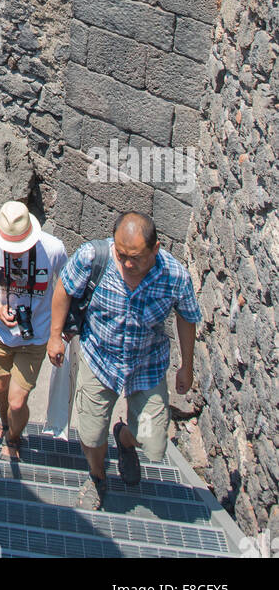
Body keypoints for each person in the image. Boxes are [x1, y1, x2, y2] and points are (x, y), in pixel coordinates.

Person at [48, 211, 202, 510]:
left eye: (136, 257)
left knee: (153, 442)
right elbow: (64, 288)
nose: (128, 263)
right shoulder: (93, 257)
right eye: (122, 255)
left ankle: (125, 438)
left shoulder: (174, 276)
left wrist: (187, 365)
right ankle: (97, 477)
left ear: (155, 249)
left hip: (146, 366)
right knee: (91, 437)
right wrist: (55, 335)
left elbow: (187, 317)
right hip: (99, 359)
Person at [0, 201, 68, 458]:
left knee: (17, 400)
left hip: (36, 335)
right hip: (0, 332)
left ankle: (14, 438)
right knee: (0, 386)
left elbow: (66, 287)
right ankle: (4, 423)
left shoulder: (53, 249)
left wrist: (58, 333)